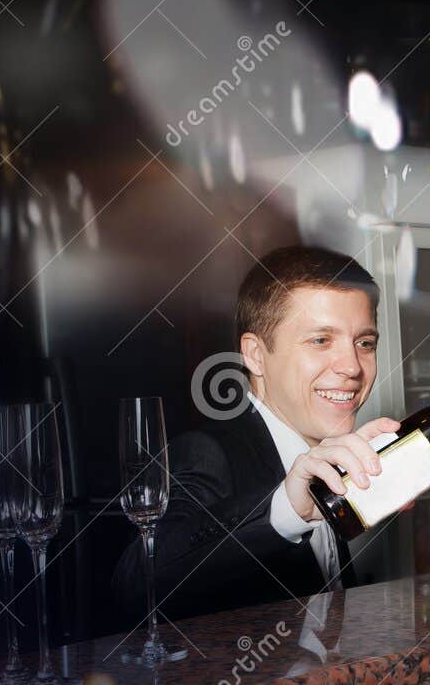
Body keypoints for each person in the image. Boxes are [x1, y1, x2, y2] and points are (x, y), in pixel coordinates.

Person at [112, 246, 400, 622]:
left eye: (365, 343)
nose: (352, 367)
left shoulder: (334, 461)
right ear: (255, 355)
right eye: (320, 341)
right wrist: (286, 510)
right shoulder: (207, 453)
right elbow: (136, 583)